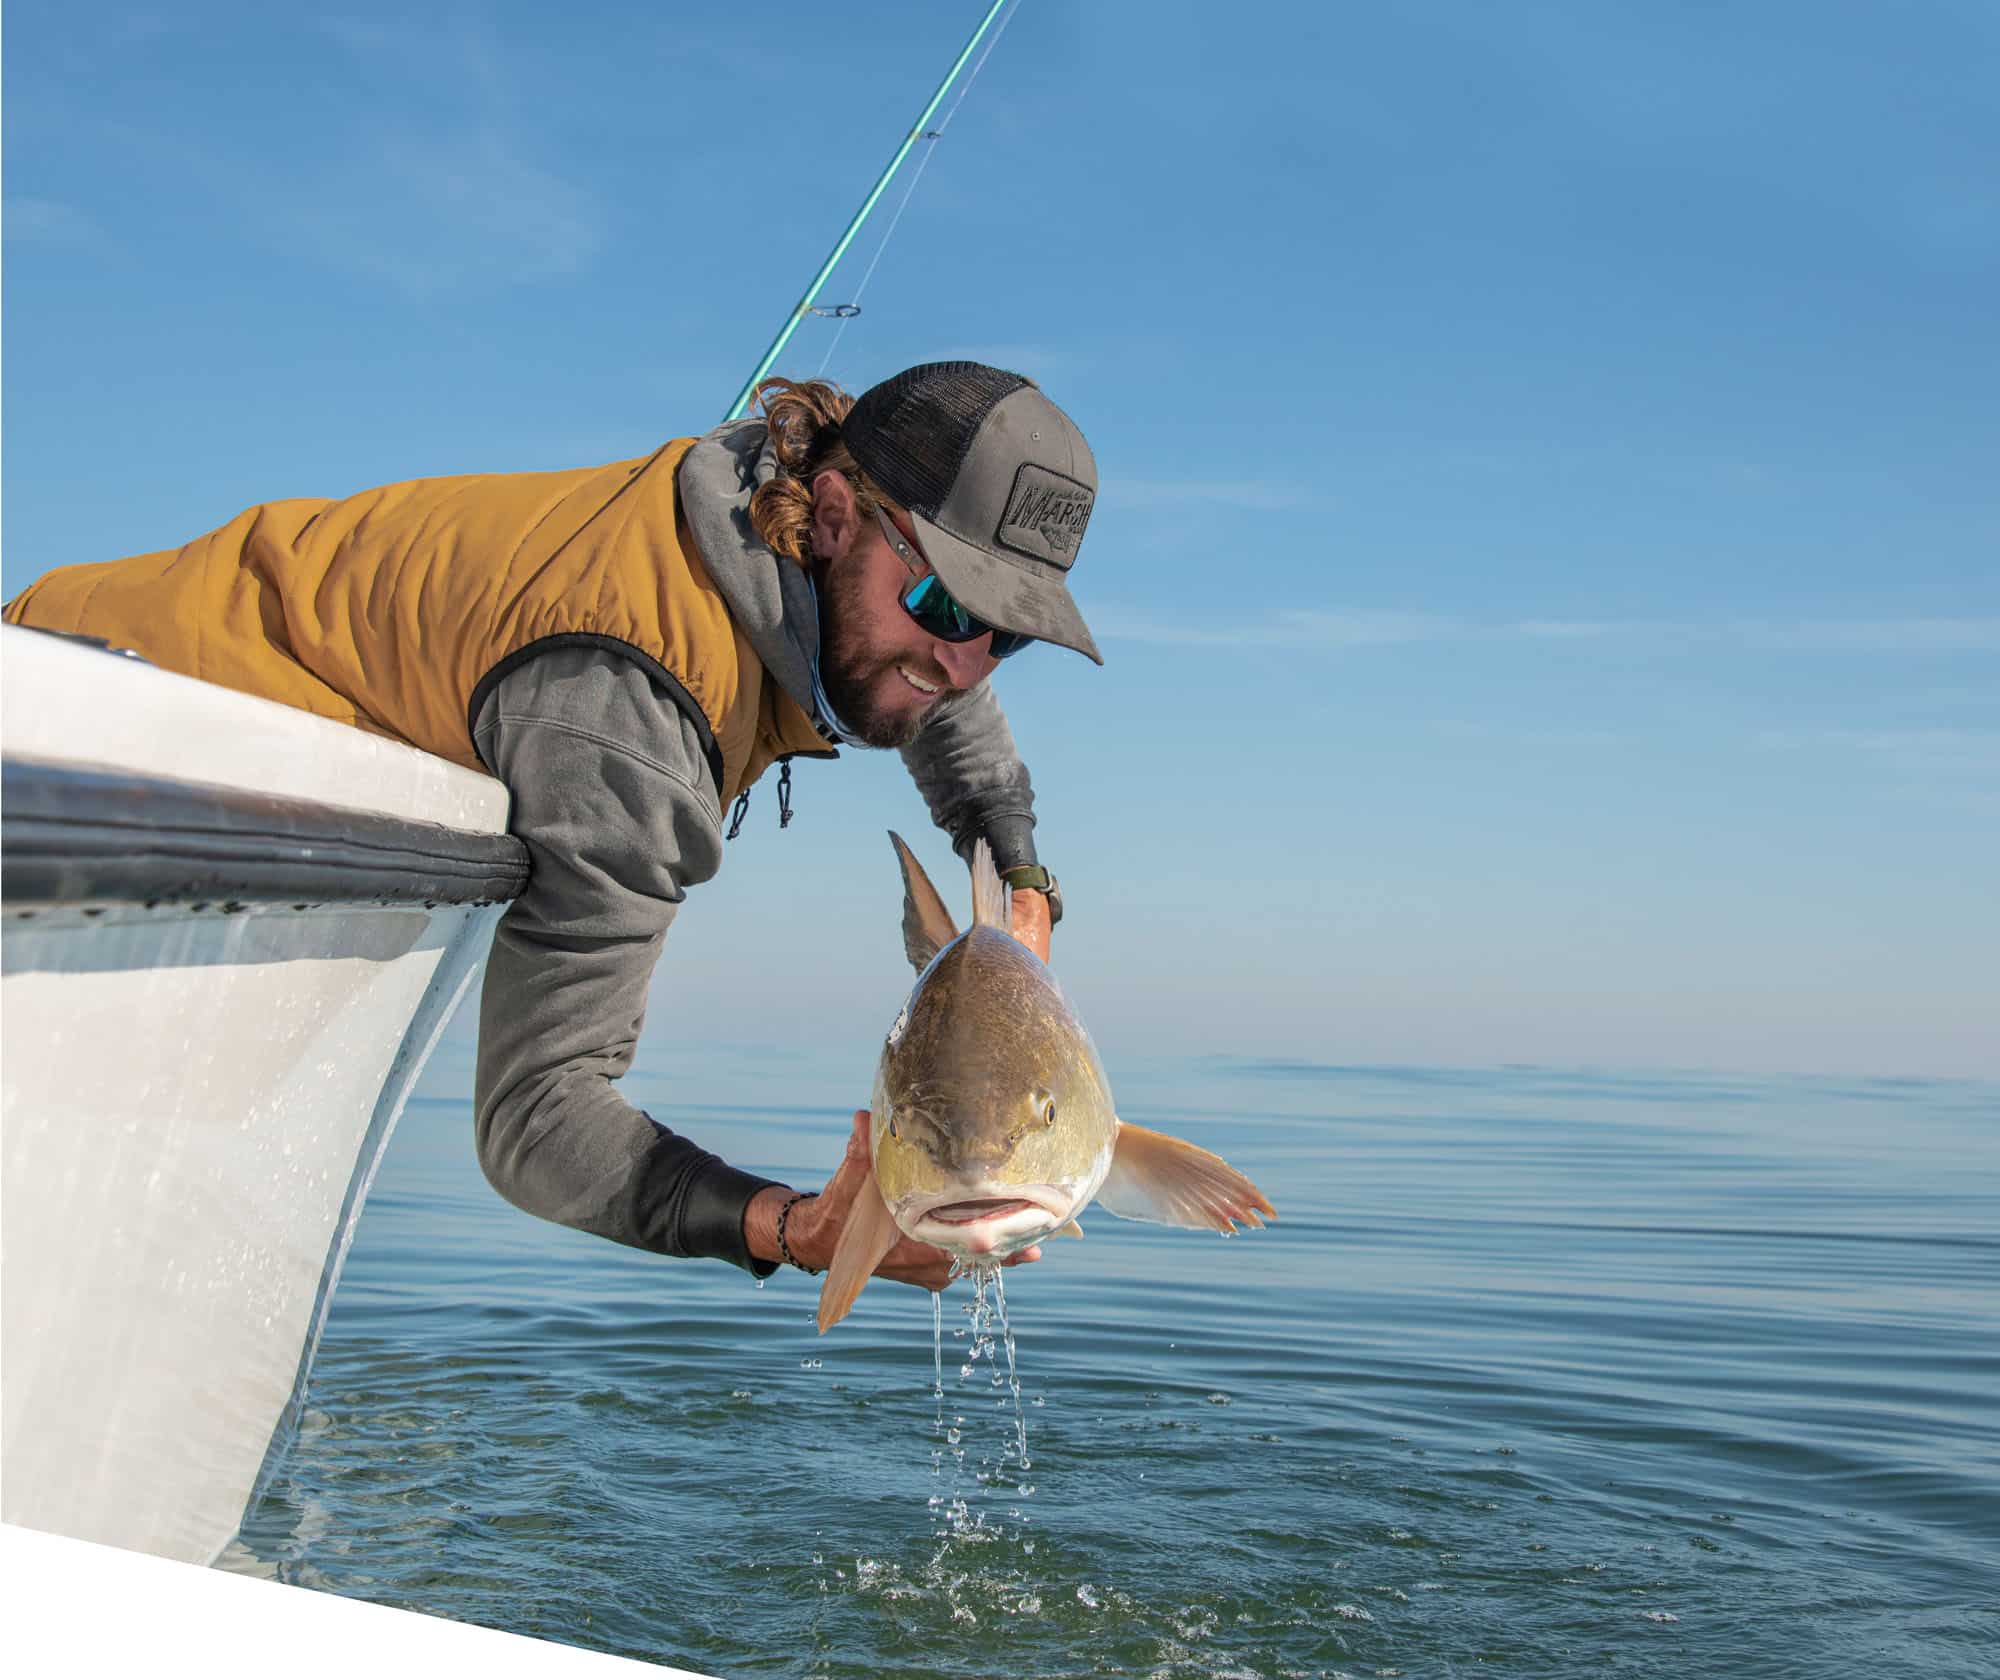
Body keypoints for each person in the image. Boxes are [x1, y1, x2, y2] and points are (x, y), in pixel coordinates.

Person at [2, 360, 1102, 1294]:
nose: (961, 664)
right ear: (827, 516)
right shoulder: (625, 723)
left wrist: (1017, 870)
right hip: (78, 743)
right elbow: (536, 1118)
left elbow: (930, 686)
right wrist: (792, 1227)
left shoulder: (748, 485)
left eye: (1004, 637)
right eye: (947, 607)